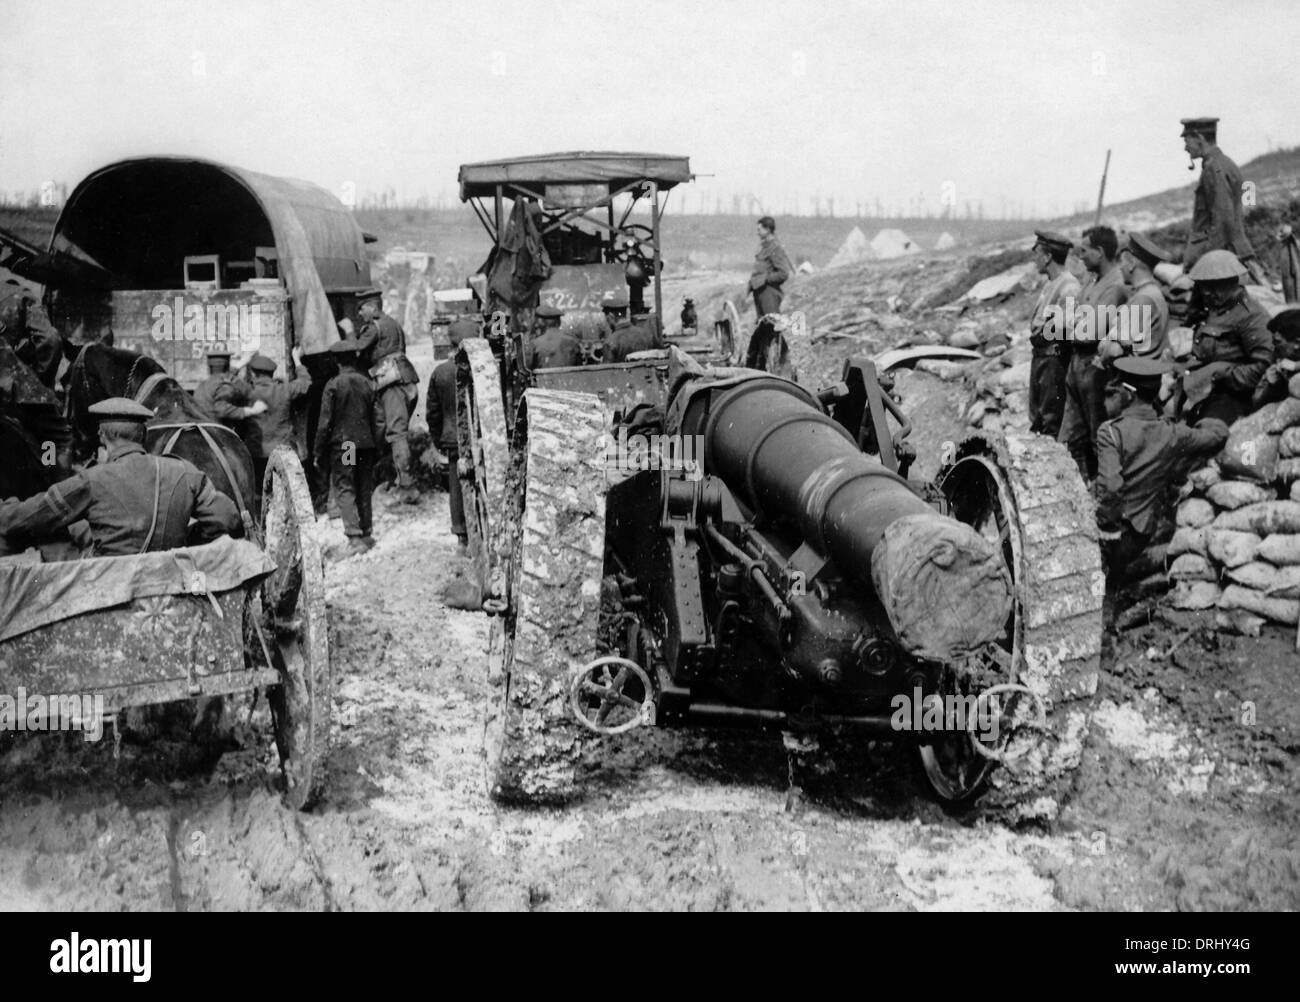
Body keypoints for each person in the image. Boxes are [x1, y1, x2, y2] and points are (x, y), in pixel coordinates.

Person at [0, 397, 240, 557]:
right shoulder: (184, 471)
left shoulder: (91, 480)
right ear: (143, 435)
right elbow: (227, 518)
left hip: (108, 591)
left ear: (102, 437)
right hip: (167, 581)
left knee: (52, 538)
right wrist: (186, 539)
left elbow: (24, 519)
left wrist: (7, 507)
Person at [1095, 357, 1228, 588]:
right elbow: (1218, 435)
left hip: (1114, 531)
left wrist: (1106, 528)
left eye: (1116, 392)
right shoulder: (1172, 433)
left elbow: (1110, 487)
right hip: (1142, 531)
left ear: (1127, 395)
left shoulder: (1111, 432)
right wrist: (1202, 421)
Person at [1058, 225, 1129, 479]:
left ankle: (1101, 495)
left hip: (1095, 368)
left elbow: (1090, 331)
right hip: (1077, 364)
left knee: (1097, 435)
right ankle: (1079, 488)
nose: (1080, 256)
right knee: (1071, 436)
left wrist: (1073, 322)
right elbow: (1072, 317)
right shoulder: (1092, 280)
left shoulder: (1115, 286)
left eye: (1085, 250)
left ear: (1100, 252)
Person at [1181, 250, 1273, 425]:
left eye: (1215, 286)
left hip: (1233, 396)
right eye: (1203, 286)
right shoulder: (1213, 307)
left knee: (1207, 435)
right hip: (1201, 387)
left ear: (1233, 282)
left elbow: (1263, 369)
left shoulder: (1251, 315)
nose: (1207, 293)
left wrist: (1221, 372)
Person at [314, 340, 381, 556]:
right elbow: (379, 419)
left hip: (347, 445)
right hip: (365, 444)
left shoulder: (334, 385)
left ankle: (354, 536)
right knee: (364, 486)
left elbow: (324, 423)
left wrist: (318, 451)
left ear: (336, 360)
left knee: (345, 485)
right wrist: (376, 443)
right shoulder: (367, 382)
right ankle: (367, 532)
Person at [354, 292, 420, 505]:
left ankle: (407, 488)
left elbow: (356, 349)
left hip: (392, 385)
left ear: (372, 307)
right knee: (388, 431)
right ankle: (394, 479)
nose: (359, 313)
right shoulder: (393, 324)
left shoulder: (375, 327)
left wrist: (347, 332)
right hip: (406, 380)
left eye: (362, 308)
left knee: (395, 434)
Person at [1179, 117, 1259, 278]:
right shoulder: (1225, 163)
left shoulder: (1213, 168)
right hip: (1228, 256)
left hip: (1219, 261)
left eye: (1187, 140)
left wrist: (1207, 264)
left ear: (1200, 138)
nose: (1185, 148)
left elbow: (1222, 222)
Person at [426, 319, 476, 550]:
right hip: (480, 438)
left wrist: (438, 440)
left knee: (457, 485)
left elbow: (432, 413)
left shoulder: (441, 372)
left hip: (453, 439)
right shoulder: (482, 368)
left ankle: (462, 535)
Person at [1027, 229, 1081, 437]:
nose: (1035, 259)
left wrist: (1043, 327)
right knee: (1037, 418)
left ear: (1048, 256)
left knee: (1050, 419)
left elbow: (1061, 328)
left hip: (1054, 360)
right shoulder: (1052, 284)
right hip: (1042, 359)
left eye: (1037, 253)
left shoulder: (1069, 286)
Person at [244, 350, 311, 488]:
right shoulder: (284, 389)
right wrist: (296, 359)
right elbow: (305, 382)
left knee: (260, 492)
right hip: (282, 451)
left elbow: (226, 384)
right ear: (272, 373)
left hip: (256, 453)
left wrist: (240, 364)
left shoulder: (247, 392)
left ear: (253, 373)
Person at [1117, 232, 1172, 360]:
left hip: (1138, 373)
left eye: (1122, 262)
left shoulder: (1143, 298)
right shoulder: (1151, 292)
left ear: (1131, 264)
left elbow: (1118, 348)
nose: (1120, 268)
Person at [194, 346, 266, 427]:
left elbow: (224, 376)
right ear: (227, 365)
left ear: (209, 366)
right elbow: (222, 409)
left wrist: (240, 364)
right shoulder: (224, 386)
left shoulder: (203, 385)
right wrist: (252, 410)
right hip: (217, 432)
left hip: (202, 429)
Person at [1252, 307, 1300, 409]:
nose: (1274, 347)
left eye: (1278, 342)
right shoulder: (1278, 361)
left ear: (1297, 343)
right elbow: (1256, 403)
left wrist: (1295, 366)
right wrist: (1271, 386)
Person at [748, 216, 793, 318]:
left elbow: (783, 274)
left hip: (769, 292)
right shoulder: (764, 247)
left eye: (759, 229)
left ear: (767, 230)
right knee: (763, 326)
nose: (757, 233)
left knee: (772, 325)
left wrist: (765, 279)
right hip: (759, 291)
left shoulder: (775, 248)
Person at [603, 292, 659, 362]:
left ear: (611, 316)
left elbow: (606, 371)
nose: (606, 321)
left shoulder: (610, 343)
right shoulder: (648, 335)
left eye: (606, 318)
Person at [527, 304, 581, 369]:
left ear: (541, 322)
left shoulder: (536, 343)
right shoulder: (573, 340)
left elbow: (528, 367)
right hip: (569, 378)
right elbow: (579, 365)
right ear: (559, 322)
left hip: (544, 378)